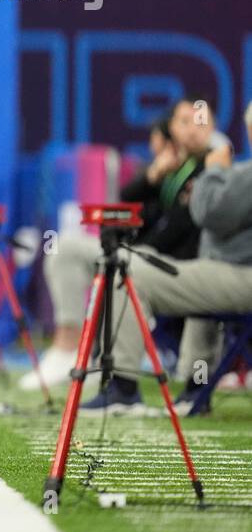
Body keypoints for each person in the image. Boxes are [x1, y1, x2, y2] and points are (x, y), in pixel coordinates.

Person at [21, 100, 210, 391]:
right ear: (172, 128)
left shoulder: (210, 167)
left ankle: (106, 366)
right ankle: (70, 345)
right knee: (64, 248)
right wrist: (152, 176)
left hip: (172, 264)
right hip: (147, 253)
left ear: (212, 127)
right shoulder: (171, 168)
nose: (191, 130)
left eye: (199, 121)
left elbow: (181, 227)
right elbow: (125, 204)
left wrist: (131, 248)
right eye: (184, 122)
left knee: (111, 261)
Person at [83, 98, 252, 414]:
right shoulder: (185, 167)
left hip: (240, 276)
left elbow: (209, 212)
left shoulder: (229, 169)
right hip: (227, 269)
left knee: (125, 268)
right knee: (192, 274)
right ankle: (195, 388)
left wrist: (214, 169)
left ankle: (123, 387)